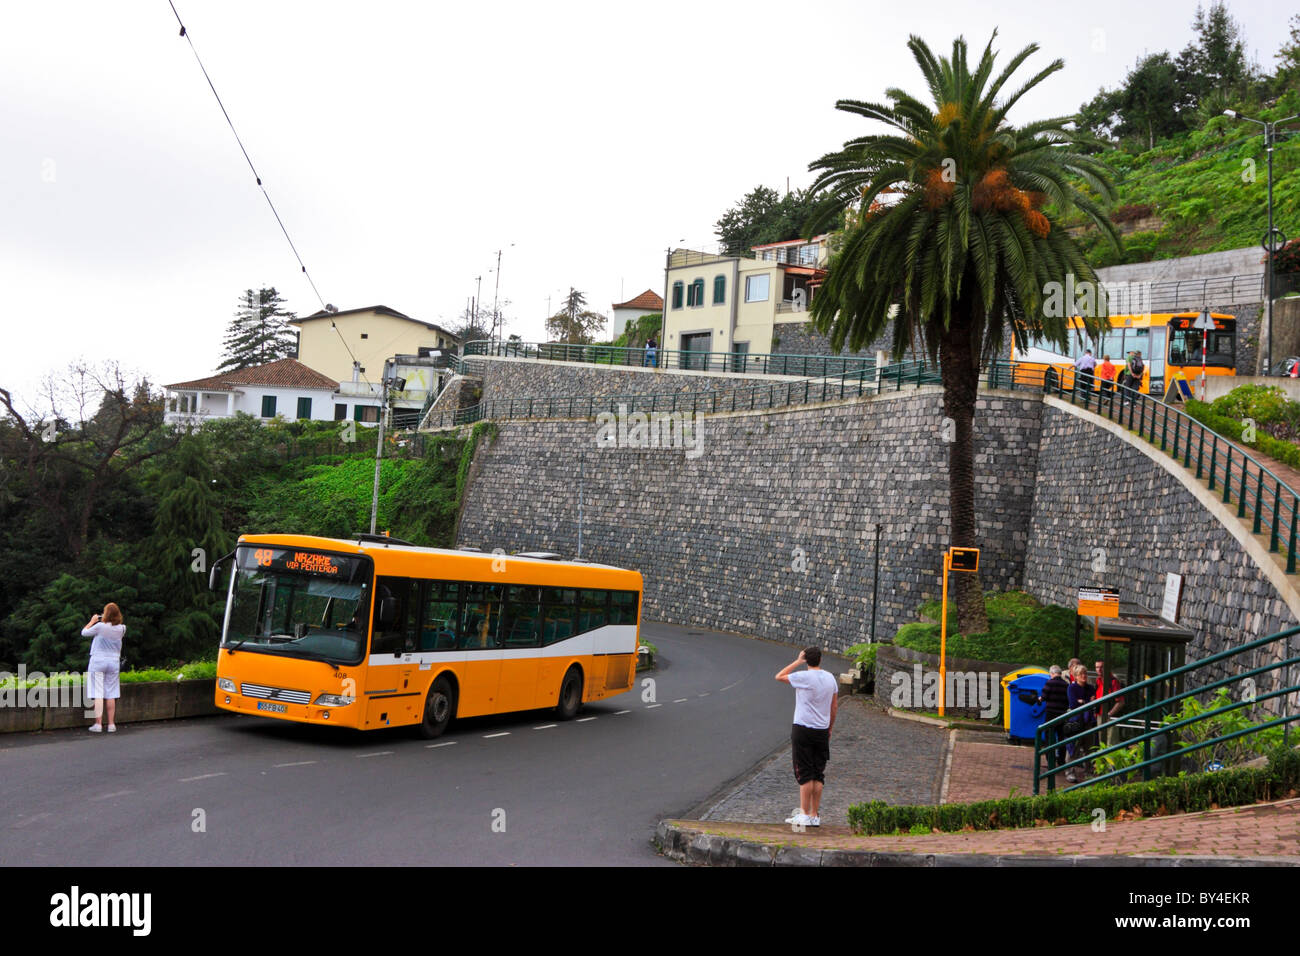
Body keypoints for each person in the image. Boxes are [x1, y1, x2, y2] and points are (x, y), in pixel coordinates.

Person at [775, 646, 838, 828]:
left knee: (805, 771)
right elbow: (834, 707)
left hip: (802, 728)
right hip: (821, 730)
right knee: (818, 773)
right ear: (820, 660)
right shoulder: (830, 678)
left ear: (806, 659)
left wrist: (797, 661)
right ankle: (814, 814)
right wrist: (830, 727)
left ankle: (803, 814)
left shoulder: (803, 677)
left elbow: (779, 676)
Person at [83, 602, 125, 733]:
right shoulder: (122, 628)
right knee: (111, 693)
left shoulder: (100, 626)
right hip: (113, 661)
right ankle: (111, 724)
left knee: (98, 693)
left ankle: (98, 724)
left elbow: (84, 633)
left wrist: (92, 621)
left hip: (98, 660)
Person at [1064, 663, 1095, 783]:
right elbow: (1073, 704)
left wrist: (1082, 701)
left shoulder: (1090, 688)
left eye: (1085, 673)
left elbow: (1093, 702)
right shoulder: (1072, 688)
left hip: (1087, 721)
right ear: (1076, 676)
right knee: (1072, 747)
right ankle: (1069, 772)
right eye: (1081, 674)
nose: (1084, 676)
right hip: (1075, 721)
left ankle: (1088, 771)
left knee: (1089, 747)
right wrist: (1085, 702)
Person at [1037, 664, 1070, 771]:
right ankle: (1061, 761)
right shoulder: (1066, 684)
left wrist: (1039, 699)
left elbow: (1044, 697)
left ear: (1051, 673)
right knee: (1061, 737)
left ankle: (1050, 760)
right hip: (1062, 714)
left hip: (1051, 714)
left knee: (1049, 737)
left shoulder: (1049, 682)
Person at [1094, 659, 1124, 747]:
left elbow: (1121, 702)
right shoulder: (1098, 681)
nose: (1099, 669)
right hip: (1100, 716)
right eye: (1097, 667)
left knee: (1111, 743)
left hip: (1110, 717)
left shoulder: (1113, 681)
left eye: (1101, 667)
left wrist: (1110, 714)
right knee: (1102, 743)